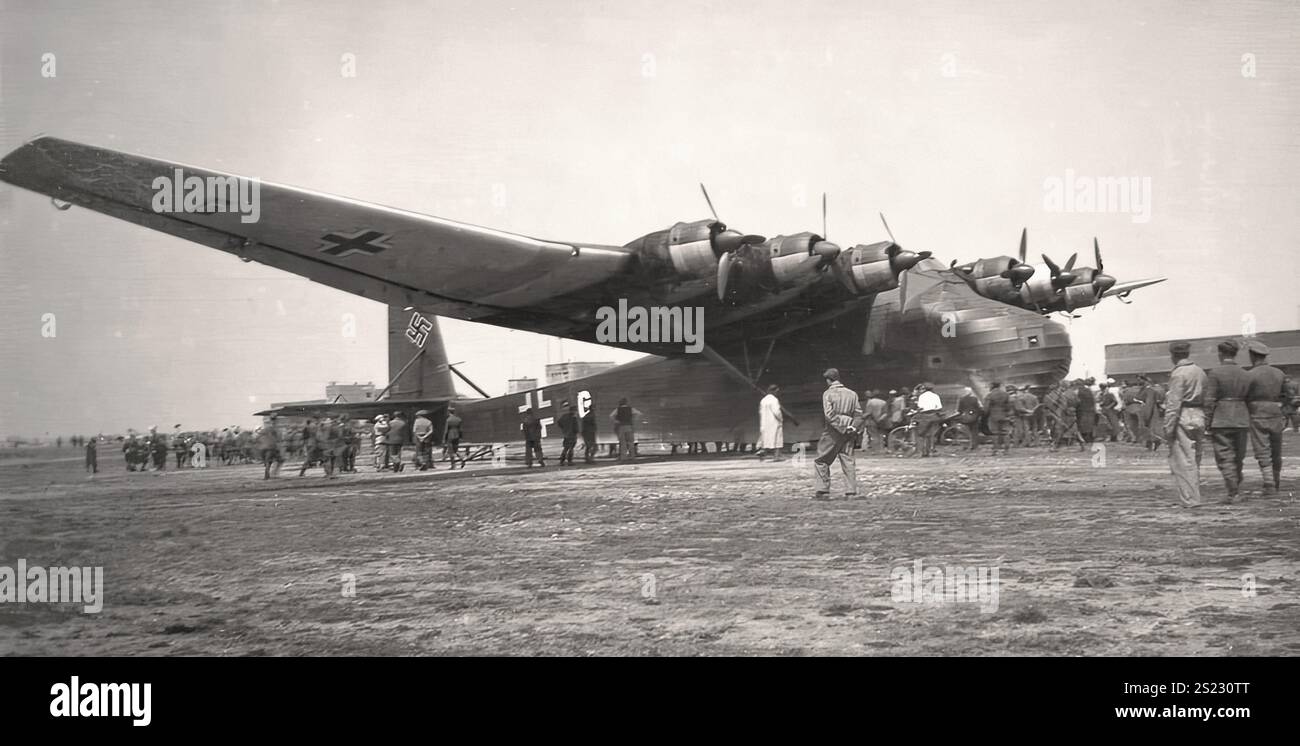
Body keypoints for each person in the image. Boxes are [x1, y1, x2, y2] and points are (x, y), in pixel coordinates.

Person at [1205, 339, 1252, 503]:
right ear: (1235, 354)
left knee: (1225, 456)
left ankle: (1233, 492)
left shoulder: (1215, 373)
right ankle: (1236, 489)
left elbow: (1210, 400)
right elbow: (1249, 398)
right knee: (1238, 456)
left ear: (1220, 354)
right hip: (1241, 418)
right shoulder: (1245, 373)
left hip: (1222, 418)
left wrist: (1207, 423)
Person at [1163, 340, 1208, 508]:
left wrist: (1168, 427)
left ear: (1173, 355)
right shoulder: (1200, 371)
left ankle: (1190, 500)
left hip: (1184, 415)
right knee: (1195, 459)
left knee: (1183, 461)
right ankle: (1194, 497)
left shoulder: (1178, 374)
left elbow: (1174, 404)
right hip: (1199, 414)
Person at [813, 368, 865, 500]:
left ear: (828, 380)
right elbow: (859, 414)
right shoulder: (852, 394)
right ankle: (851, 492)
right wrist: (852, 427)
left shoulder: (827, 394)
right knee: (848, 460)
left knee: (821, 460)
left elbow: (829, 415)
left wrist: (841, 427)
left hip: (833, 429)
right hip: (850, 428)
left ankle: (823, 491)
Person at [1245, 341, 1284, 495]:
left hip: (1257, 412)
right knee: (1276, 449)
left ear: (1253, 356)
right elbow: (1287, 395)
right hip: (1275, 411)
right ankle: (1276, 480)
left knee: (1262, 449)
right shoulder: (1279, 373)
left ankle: (1269, 483)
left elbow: (1245, 395)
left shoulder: (1249, 374)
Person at [914, 383, 943, 457]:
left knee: (921, 434)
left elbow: (920, 407)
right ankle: (930, 452)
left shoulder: (922, 396)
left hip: (924, 416)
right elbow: (939, 407)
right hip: (934, 416)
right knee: (931, 435)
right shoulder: (936, 396)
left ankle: (921, 452)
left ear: (925, 389)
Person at [984, 382, 1013, 455]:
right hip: (1004, 416)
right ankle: (1006, 450)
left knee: (995, 433)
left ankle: (995, 450)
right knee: (1006, 433)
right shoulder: (1006, 394)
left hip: (994, 416)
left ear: (992, 386)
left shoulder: (990, 395)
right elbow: (1009, 406)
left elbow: (986, 408)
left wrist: (985, 414)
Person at [757, 385, 784, 460]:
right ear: (774, 391)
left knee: (766, 438)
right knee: (777, 439)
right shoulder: (774, 400)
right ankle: (776, 456)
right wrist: (781, 419)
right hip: (774, 422)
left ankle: (763, 451)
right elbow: (777, 412)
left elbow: (760, 411)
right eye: (777, 391)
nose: (777, 393)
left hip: (765, 421)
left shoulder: (763, 400)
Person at [957, 387, 983, 451]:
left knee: (967, 431)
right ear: (971, 392)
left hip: (966, 417)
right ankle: (975, 445)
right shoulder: (975, 399)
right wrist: (979, 414)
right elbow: (979, 408)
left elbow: (959, 410)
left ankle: (968, 445)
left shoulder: (962, 399)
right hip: (974, 417)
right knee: (975, 431)